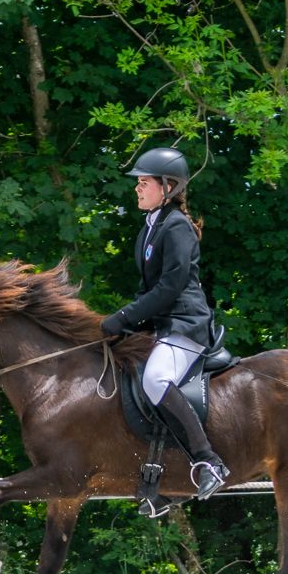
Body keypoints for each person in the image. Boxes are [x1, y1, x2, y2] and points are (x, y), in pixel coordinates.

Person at [100, 147, 230, 500]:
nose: (137, 188)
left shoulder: (177, 227)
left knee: (156, 379)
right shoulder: (149, 229)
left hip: (185, 323)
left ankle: (208, 462)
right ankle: (158, 480)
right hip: (162, 324)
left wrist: (126, 316)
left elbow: (171, 287)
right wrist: (126, 325)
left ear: (168, 186)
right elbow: (148, 289)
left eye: (144, 183)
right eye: (138, 183)